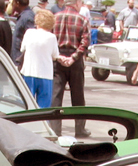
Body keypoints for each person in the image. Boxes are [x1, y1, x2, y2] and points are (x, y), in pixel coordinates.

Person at [50, 0, 90, 136]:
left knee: (56, 97)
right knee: (78, 97)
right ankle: (80, 129)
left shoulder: (54, 18)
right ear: (77, 3)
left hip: (58, 57)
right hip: (76, 60)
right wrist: (73, 57)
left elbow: (51, 39)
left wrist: (58, 56)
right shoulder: (83, 20)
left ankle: (55, 130)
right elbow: (85, 42)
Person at [20, 8, 59, 107]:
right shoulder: (52, 37)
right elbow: (55, 56)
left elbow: (22, 48)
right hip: (45, 74)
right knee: (44, 106)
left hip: (29, 72)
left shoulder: (29, 33)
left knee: (27, 104)